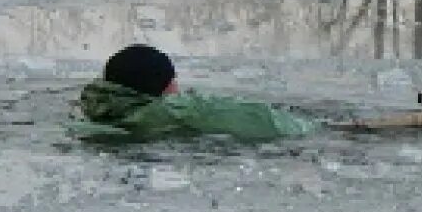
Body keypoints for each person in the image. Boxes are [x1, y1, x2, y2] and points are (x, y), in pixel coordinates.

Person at [73, 44, 314, 142]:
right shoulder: (174, 112)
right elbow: (262, 122)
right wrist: (312, 127)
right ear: (163, 87)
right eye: (172, 81)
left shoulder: (96, 108)